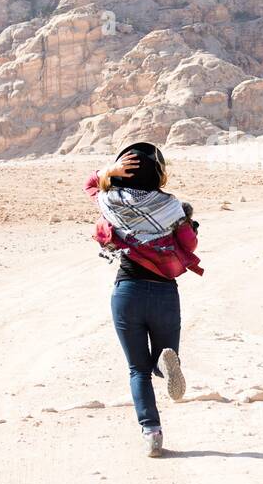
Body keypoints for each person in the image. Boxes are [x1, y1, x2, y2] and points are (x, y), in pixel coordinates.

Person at [84, 143, 202, 457]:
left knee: (137, 370)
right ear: (159, 173)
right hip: (164, 292)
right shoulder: (170, 205)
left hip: (127, 292)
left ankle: (152, 432)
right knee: (161, 358)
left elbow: (90, 184)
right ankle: (165, 364)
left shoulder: (110, 200)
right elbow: (189, 243)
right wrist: (187, 223)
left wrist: (108, 173)